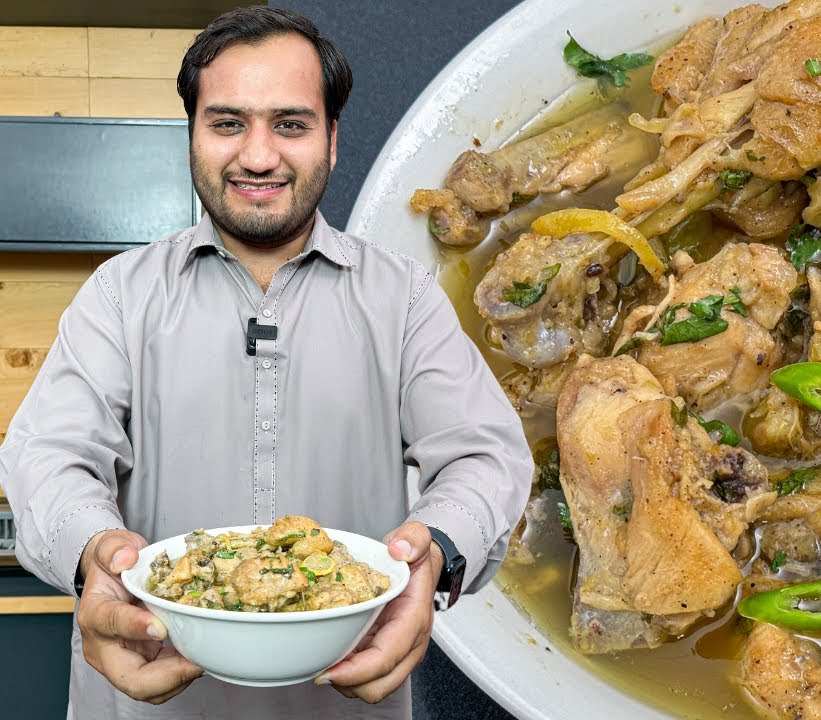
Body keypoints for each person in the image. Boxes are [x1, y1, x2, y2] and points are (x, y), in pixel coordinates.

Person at [0, 7, 532, 719]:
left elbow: (485, 455)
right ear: (191, 134)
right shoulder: (119, 295)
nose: (257, 156)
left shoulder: (404, 297)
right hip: (145, 699)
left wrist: (433, 550)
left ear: (332, 140)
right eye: (227, 123)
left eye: (289, 124)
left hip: (347, 701)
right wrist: (94, 553)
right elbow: (49, 454)